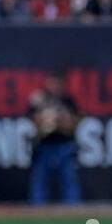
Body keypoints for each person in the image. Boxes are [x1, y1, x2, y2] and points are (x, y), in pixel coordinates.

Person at [28, 73, 81, 205]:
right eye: (52, 83)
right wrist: (46, 119)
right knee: (40, 180)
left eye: (57, 84)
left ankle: (73, 211)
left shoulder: (68, 101)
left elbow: (74, 123)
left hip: (64, 145)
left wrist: (61, 119)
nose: (54, 87)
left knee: (69, 179)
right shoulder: (40, 99)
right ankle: (37, 212)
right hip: (44, 145)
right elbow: (34, 121)